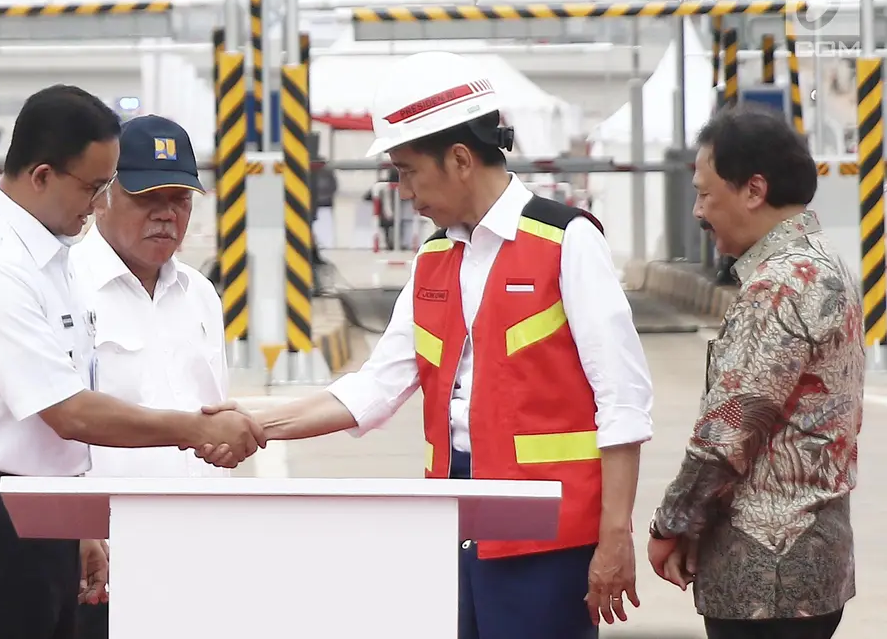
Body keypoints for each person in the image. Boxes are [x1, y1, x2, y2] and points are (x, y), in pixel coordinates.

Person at [201, 51, 654, 639]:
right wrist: (254, 419)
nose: (403, 190)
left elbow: (623, 400)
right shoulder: (436, 259)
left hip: (546, 527)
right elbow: (376, 387)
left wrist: (615, 533)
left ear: (460, 159)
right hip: (455, 517)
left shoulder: (566, 242)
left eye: (409, 171)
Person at [0, 85, 265, 639]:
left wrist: (76, 524)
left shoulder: (53, 257)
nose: (97, 204)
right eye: (95, 187)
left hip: (41, 514)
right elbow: (68, 412)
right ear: (42, 175)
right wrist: (195, 430)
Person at [647, 103, 862, 639]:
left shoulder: (782, 285)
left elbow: (726, 434)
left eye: (705, 193)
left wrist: (671, 523)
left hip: (768, 577)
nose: (698, 211)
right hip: (808, 568)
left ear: (753, 190)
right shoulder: (822, 263)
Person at [67, 114, 229, 637]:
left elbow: (214, 423)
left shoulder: (201, 296)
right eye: (146, 197)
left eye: (179, 199)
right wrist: (75, 531)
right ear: (102, 197)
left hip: (198, 562)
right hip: (105, 561)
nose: (166, 215)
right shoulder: (66, 288)